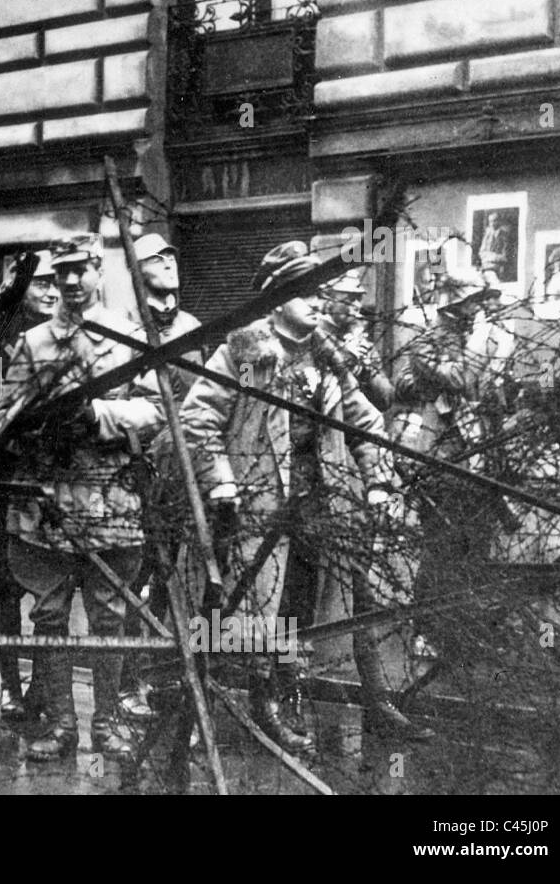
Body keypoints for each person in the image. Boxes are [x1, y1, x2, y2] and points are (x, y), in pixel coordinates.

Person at [181, 241, 401, 753]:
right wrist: (221, 479)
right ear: (278, 299)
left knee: (292, 610)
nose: (320, 301)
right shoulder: (249, 354)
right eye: (308, 292)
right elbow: (198, 418)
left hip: (311, 506)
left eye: (322, 291)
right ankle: (224, 708)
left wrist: (379, 478)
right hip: (252, 508)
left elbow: (366, 420)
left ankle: (278, 701)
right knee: (238, 611)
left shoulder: (327, 358)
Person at [0, 233, 165, 761]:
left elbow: (156, 412)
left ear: (98, 270)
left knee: (109, 615)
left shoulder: (130, 337)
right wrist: (34, 426)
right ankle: (62, 724)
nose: (70, 281)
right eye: (61, 271)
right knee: (48, 614)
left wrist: (98, 416)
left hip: (110, 493)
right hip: (46, 495)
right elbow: (5, 416)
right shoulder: (33, 343)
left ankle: (108, 722)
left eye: (80, 270)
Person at [392, 267, 502, 671]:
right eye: (474, 301)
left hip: (476, 457)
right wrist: (482, 344)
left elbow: (488, 391)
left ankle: (461, 629)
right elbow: (458, 378)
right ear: (456, 304)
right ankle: (427, 629)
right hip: (442, 461)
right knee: (441, 546)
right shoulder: (429, 343)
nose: (480, 308)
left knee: (474, 545)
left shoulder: (472, 338)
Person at [120, 232, 203, 720]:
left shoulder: (191, 327)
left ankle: (167, 678)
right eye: (157, 257)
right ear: (137, 271)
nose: (170, 261)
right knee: (136, 580)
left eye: (173, 254)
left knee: (179, 582)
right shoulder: (126, 329)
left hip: (185, 471)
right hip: (141, 473)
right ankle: (127, 682)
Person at [0, 250, 60, 723]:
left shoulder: (67, 337)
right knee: (6, 594)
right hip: (3, 480)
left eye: (59, 283)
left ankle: (41, 685)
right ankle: (9, 686)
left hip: (53, 485)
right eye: (43, 284)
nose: (53, 291)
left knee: (51, 594)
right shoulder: (1, 342)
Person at [316, 268, 395, 412]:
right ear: (328, 298)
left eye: (359, 299)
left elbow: (386, 398)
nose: (357, 306)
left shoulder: (361, 342)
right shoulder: (316, 336)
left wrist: (365, 369)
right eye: (349, 299)